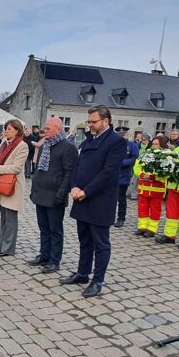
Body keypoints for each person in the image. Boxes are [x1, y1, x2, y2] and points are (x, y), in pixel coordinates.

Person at [59, 105, 128, 298]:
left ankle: (97, 280)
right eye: (89, 121)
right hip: (81, 197)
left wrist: (86, 191)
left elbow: (108, 172)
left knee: (101, 243)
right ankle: (82, 273)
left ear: (105, 121)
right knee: (84, 240)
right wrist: (73, 186)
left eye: (93, 121)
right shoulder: (90, 140)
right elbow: (77, 166)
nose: (90, 124)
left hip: (100, 200)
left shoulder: (116, 142)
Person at [28, 117, 78, 273]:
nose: (44, 130)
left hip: (55, 196)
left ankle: (54, 260)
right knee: (43, 228)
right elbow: (38, 170)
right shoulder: (45, 145)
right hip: (41, 194)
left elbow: (70, 174)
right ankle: (44, 255)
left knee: (55, 230)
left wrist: (61, 194)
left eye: (48, 128)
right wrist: (34, 188)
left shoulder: (68, 147)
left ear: (57, 129)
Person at [0, 119, 29, 257]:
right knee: (3, 217)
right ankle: (0, 245)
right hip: (0, 184)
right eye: (6, 128)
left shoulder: (22, 145)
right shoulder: (3, 143)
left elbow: (16, 167)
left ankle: (8, 248)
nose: (7, 131)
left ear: (17, 130)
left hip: (12, 186)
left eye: (10, 129)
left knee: (11, 218)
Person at [133, 136, 169, 237]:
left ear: (162, 145)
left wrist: (154, 176)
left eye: (157, 144)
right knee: (142, 209)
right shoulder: (145, 154)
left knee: (155, 210)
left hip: (157, 190)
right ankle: (142, 227)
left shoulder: (166, 157)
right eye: (153, 144)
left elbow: (166, 173)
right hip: (143, 188)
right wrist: (142, 175)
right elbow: (137, 167)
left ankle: (152, 229)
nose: (154, 146)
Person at [114, 127, 140, 227]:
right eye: (120, 135)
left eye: (123, 135)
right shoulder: (114, 145)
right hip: (112, 176)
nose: (122, 137)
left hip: (123, 176)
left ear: (127, 135)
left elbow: (134, 158)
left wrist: (121, 163)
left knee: (121, 199)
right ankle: (110, 217)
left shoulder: (132, 145)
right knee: (110, 199)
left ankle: (121, 218)